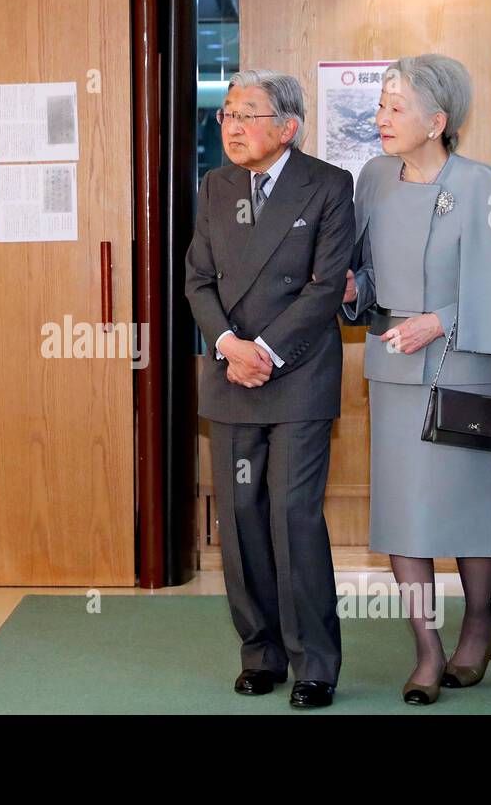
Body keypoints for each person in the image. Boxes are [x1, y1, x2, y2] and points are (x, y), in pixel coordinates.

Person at [341, 54, 491, 705]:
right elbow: (364, 278)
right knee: (403, 518)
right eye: (382, 105)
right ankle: (427, 646)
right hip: (394, 367)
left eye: (397, 107)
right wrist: (351, 290)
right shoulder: (371, 180)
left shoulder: (483, 186)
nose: (382, 118)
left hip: (466, 367)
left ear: (437, 120)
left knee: (471, 511)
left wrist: (440, 320)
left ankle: (479, 624)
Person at [185, 69, 354, 709]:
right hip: (232, 375)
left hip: (299, 375)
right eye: (227, 113)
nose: (231, 126)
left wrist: (267, 352)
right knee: (240, 517)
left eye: (247, 114)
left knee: (292, 515)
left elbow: (324, 286)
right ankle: (260, 652)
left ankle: (315, 662)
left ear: (287, 127)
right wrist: (230, 347)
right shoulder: (216, 184)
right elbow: (197, 279)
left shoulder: (328, 185)